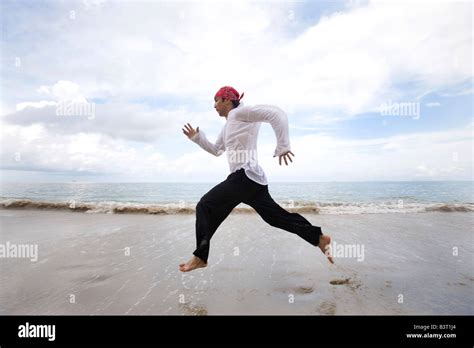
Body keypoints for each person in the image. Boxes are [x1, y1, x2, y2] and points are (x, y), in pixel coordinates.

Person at [179, 86, 333, 272]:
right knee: (275, 217)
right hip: (252, 180)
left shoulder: (240, 113)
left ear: (228, 100)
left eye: (217, 100)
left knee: (205, 205)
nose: (214, 105)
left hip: (243, 177)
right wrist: (197, 138)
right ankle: (318, 238)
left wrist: (283, 145)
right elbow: (216, 150)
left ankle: (200, 257)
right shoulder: (228, 124)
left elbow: (276, 114)